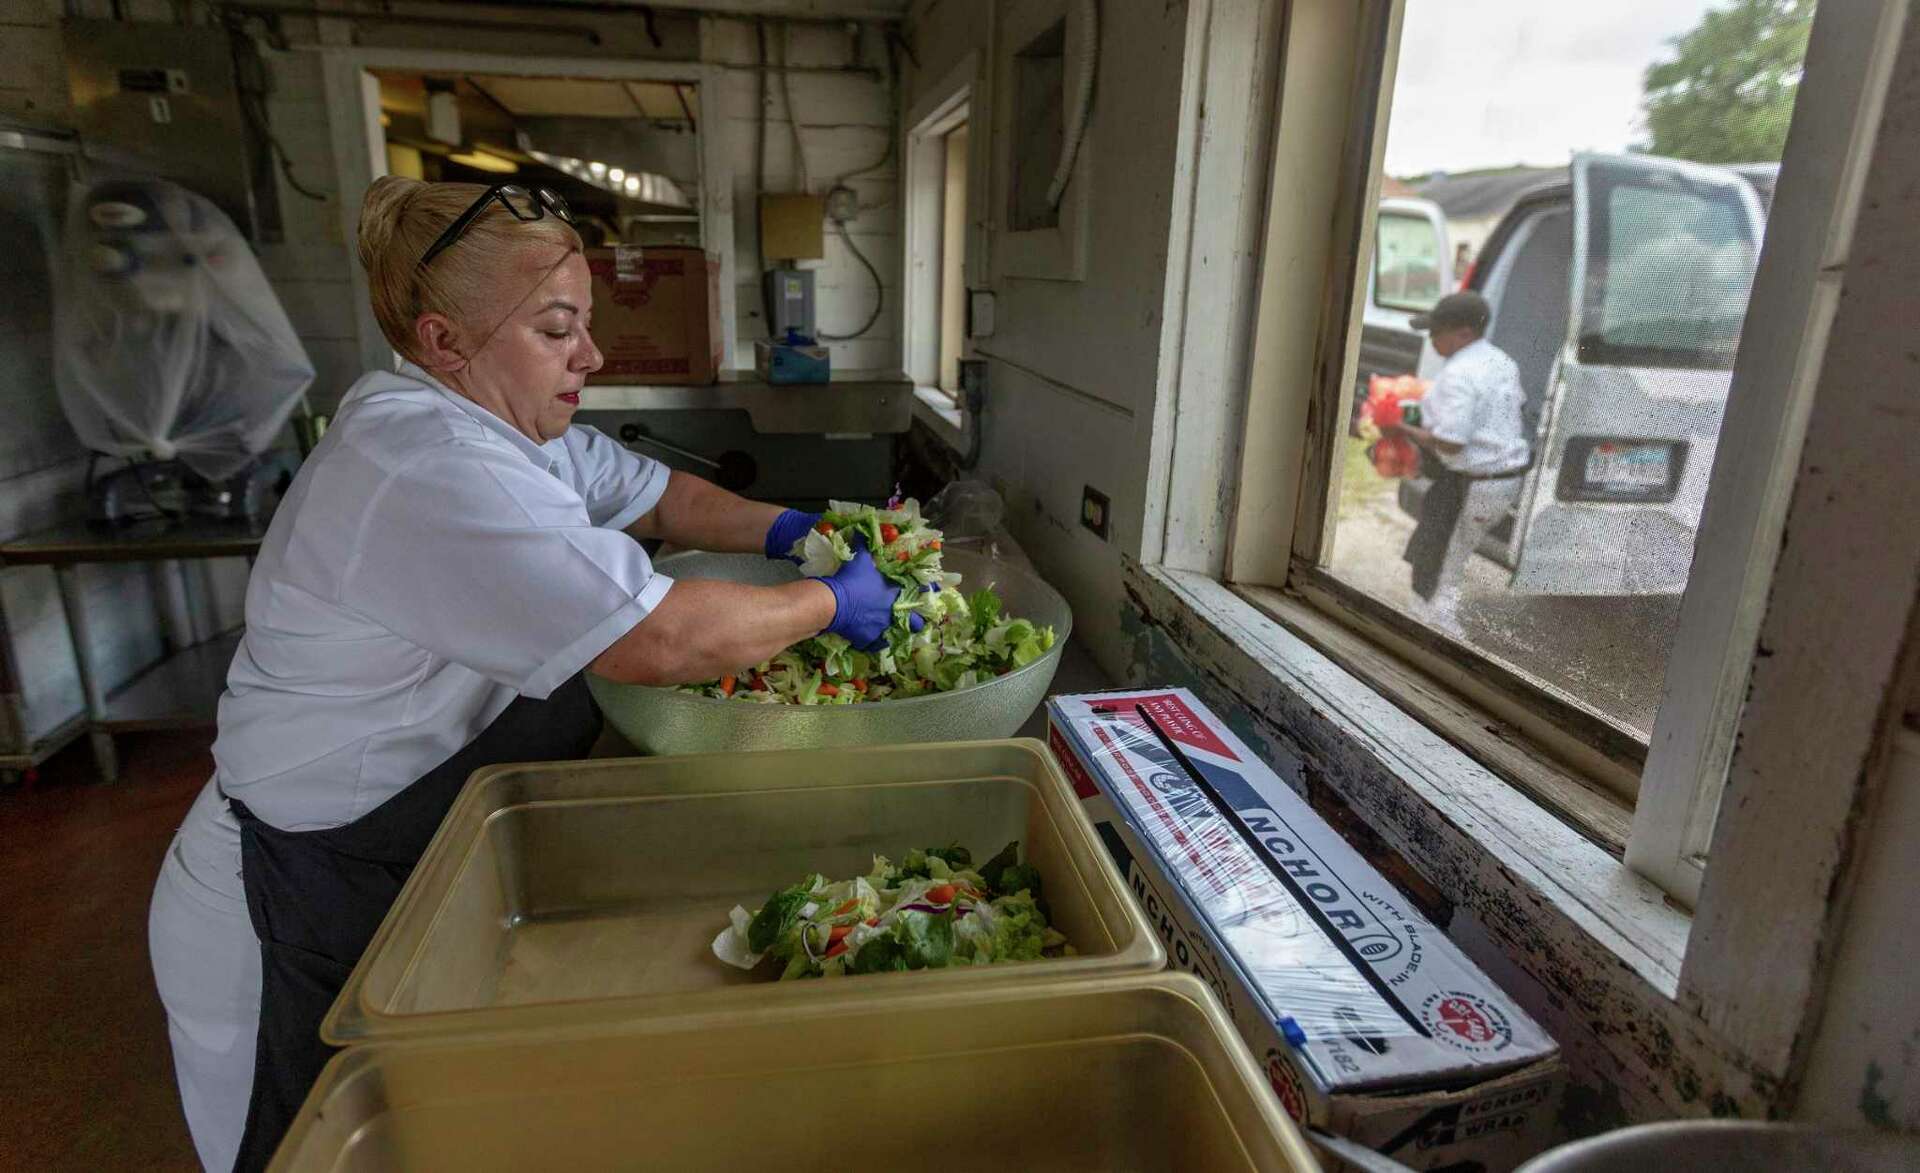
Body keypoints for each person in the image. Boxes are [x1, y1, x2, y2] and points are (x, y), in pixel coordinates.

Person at [146, 178, 910, 1172]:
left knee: (413, 1132)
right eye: (556, 329)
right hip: (290, 895)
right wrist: (830, 604)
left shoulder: (506, 433)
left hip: (398, 853)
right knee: (308, 1146)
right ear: (444, 340)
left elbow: (663, 498)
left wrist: (795, 531)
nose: (591, 355)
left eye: (585, 323)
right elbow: (661, 641)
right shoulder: (423, 465)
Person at [1392, 291, 1530, 631]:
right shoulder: (1501, 361)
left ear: (1464, 333)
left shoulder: (1459, 372)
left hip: (1474, 485)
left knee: (1440, 567)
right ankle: (1431, 616)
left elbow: (1452, 444)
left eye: (1436, 332)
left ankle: (1435, 629)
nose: (1431, 339)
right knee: (1448, 555)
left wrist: (1402, 427)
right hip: (1501, 480)